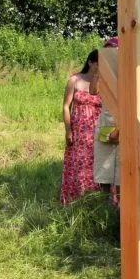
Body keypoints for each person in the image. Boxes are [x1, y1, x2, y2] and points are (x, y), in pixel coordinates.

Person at [61, 50, 103, 204]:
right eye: (98, 63)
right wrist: (68, 130)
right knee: (78, 162)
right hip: (79, 130)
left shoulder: (104, 82)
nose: (100, 66)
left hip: (97, 130)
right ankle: (76, 198)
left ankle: (94, 199)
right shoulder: (75, 80)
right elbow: (66, 107)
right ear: (90, 62)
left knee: (96, 162)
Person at [92, 37, 121, 206]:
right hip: (105, 123)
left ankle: (121, 208)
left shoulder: (128, 74)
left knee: (121, 173)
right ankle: (105, 207)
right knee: (103, 169)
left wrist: (119, 130)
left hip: (122, 125)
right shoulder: (104, 74)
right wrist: (98, 71)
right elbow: (93, 91)